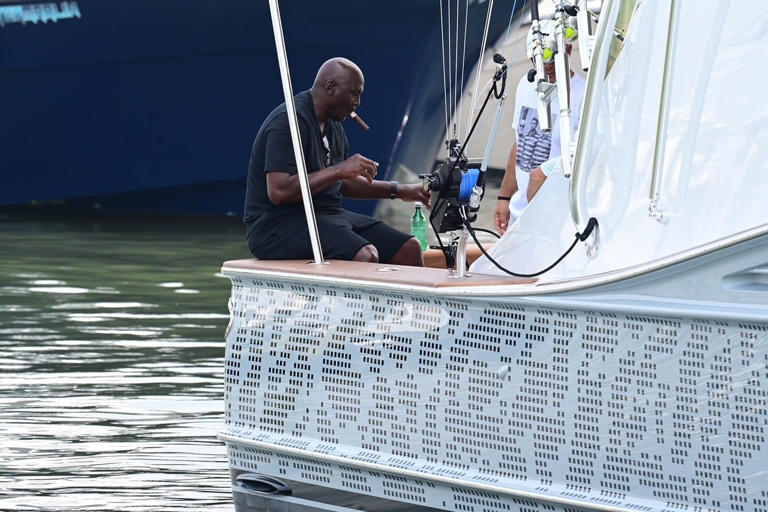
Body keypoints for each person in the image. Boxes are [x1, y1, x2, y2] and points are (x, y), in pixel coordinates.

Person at [244, 57, 429, 265]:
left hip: (326, 215)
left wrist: (401, 191)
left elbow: (342, 183)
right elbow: (279, 192)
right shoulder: (288, 122)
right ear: (331, 87)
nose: (357, 102)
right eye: (354, 93)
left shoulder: (334, 127)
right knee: (366, 254)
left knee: (409, 248)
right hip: (275, 225)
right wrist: (340, 169)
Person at [493, 19, 587, 235]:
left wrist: (541, 175)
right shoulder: (526, 85)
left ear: (568, 50)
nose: (547, 65)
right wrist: (504, 197)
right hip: (519, 215)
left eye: (553, 57)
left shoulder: (583, 95)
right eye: (539, 60)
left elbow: (584, 159)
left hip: (557, 221)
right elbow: (520, 141)